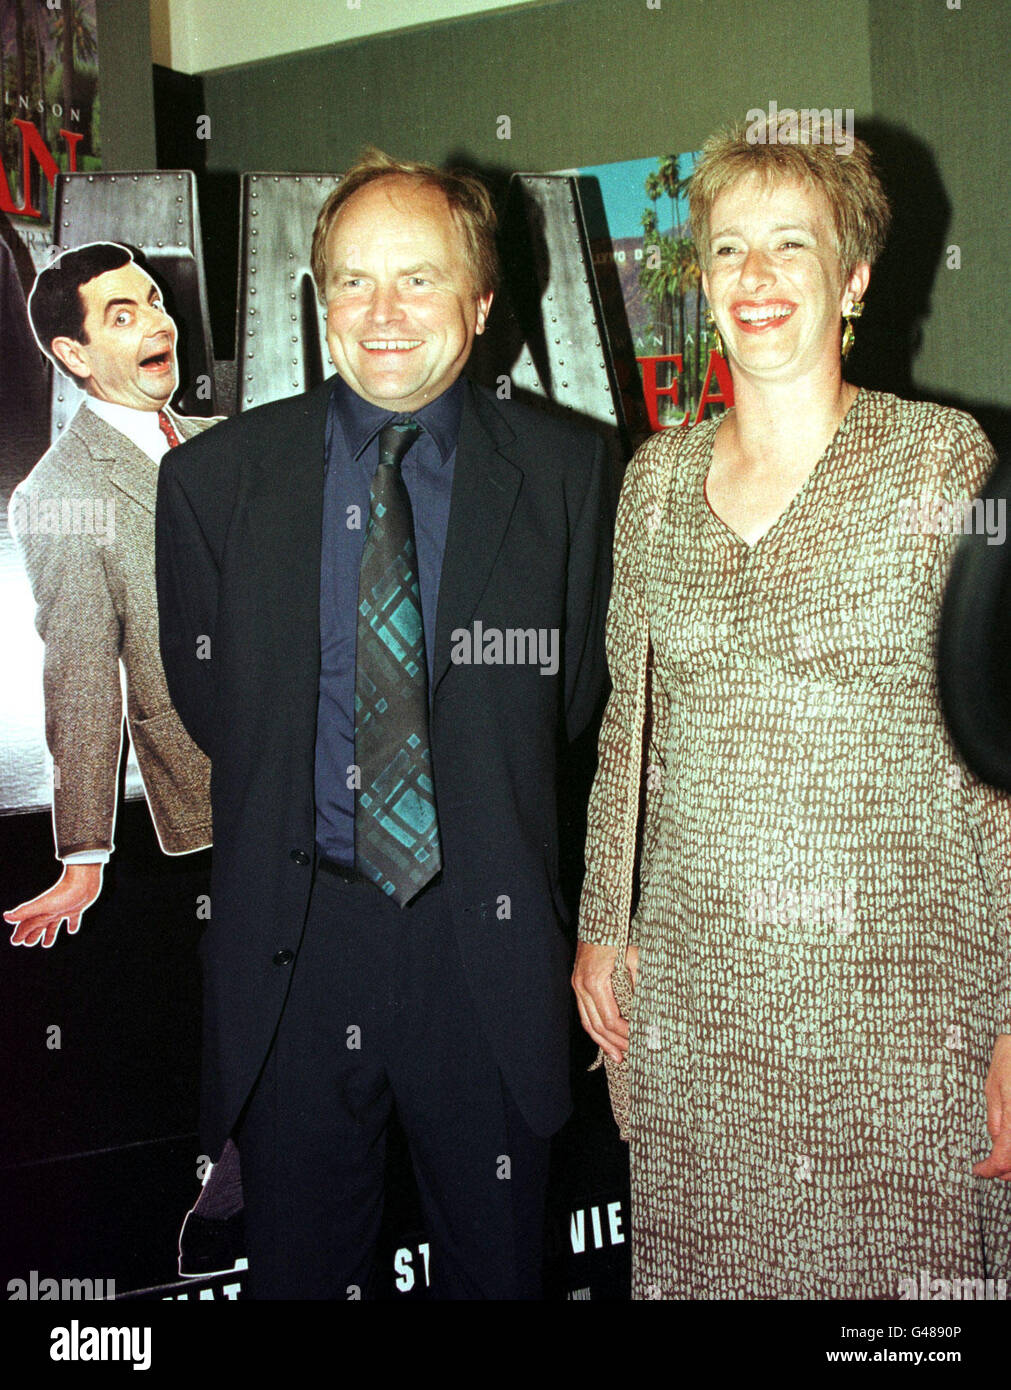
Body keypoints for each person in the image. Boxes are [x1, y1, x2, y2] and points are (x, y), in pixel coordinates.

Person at [155, 149, 613, 1299]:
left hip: (487, 948)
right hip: (297, 954)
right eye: (353, 281)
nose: (385, 313)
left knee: (497, 1277)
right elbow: (225, 714)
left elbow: (571, 705)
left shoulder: (568, 474)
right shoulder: (215, 486)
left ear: (483, 301)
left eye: (419, 278)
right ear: (320, 300)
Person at [574, 111, 1011, 1300]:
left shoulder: (942, 464)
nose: (755, 278)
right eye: (726, 249)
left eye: (792, 247)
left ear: (855, 276)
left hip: (908, 1005)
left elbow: (1004, 764)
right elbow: (633, 730)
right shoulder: (656, 479)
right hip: (701, 999)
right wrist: (604, 922)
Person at [5, 242, 214, 949]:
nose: (158, 325)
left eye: (154, 302)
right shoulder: (60, 494)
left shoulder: (225, 444)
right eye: (122, 317)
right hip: (220, 799)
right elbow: (83, 672)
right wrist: (84, 853)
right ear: (75, 355)